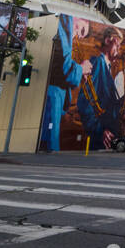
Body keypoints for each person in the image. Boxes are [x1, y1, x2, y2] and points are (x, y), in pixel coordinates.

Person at [41, 16, 87, 152]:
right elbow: (64, 68)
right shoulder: (65, 22)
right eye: (82, 29)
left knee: (50, 134)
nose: (78, 35)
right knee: (51, 137)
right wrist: (81, 69)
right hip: (54, 93)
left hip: (57, 96)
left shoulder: (65, 26)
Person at [77, 28, 125, 149]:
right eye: (117, 44)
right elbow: (85, 100)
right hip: (98, 138)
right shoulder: (97, 62)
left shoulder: (107, 67)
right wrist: (99, 130)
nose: (119, 48)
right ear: (107, 41)